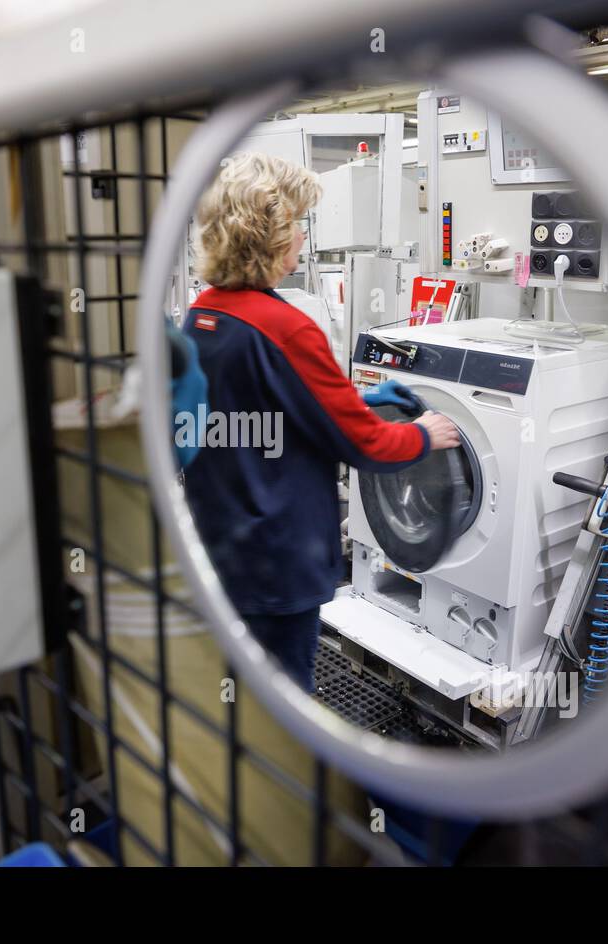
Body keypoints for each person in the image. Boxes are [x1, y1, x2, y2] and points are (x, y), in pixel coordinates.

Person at [181, 152, 459, 691]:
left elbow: (263, 409)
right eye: (300, 225)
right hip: (279, 556)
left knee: (243, 688)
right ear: (272, 236)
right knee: (287, 699)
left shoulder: (206, 313)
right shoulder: (286, 327)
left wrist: (364, 395)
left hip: (224, 545)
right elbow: (364, 444)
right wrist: (423, 435)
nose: (306, 238)